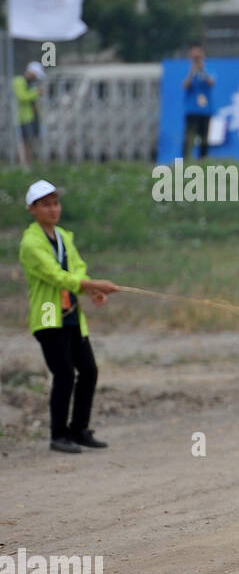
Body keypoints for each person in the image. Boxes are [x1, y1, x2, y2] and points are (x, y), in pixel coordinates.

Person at [19, 180, 121, 453]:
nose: (53, 209)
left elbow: (77, 270)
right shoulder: (31, 243)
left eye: (55, 203)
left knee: (88, 370)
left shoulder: (64, 237)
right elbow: (56, 276)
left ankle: (79, 429)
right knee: (64, 374)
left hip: (71, 314)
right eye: (45, 205)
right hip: (49, 314)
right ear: (32, 209)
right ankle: (58, 435)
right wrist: (95, 284)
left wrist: (91, 291)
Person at [181, 42, 216, 160]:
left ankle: (203, 160)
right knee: (189, 137)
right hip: (191, 109)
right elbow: (185, 85)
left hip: (205, 109)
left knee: (204, 137)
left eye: (198, 56)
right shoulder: (187, 70)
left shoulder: (208, 69)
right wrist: (192, 71)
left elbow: (211, 83)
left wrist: (202, 71)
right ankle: (185, 160)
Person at [12, 62, 45, 165]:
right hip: (22, 117)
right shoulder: (19, 81)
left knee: (31, 141)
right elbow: (22, 97)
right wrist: (36, 92)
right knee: (23, 142)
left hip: (32, 116)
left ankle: (29, 163)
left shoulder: (31, 83)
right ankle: (22, 164)